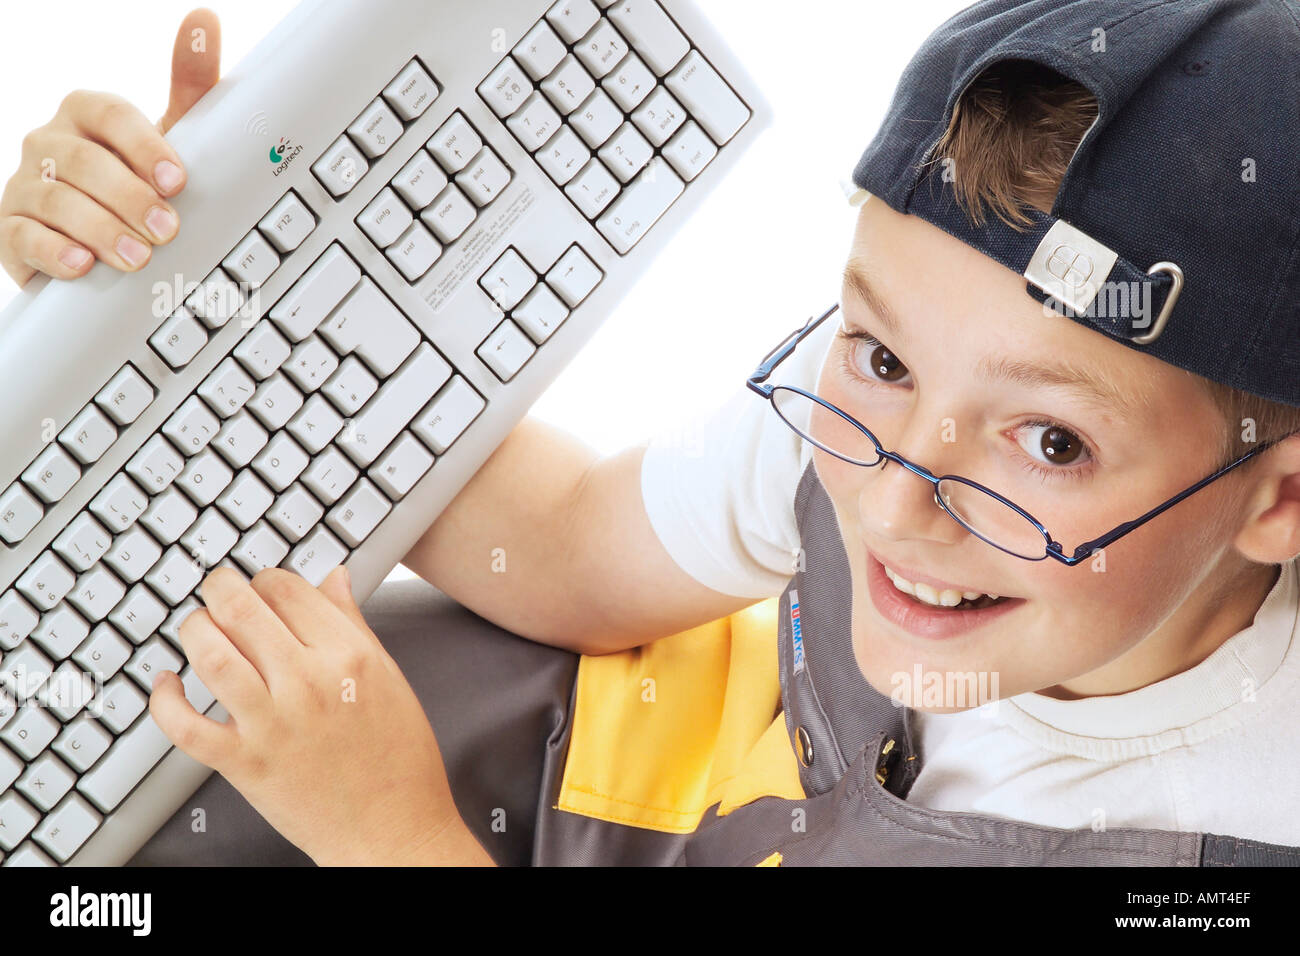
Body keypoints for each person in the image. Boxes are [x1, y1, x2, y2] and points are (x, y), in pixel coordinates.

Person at [5, 1, 1300, 866]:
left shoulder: (1216, 852)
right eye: (884, 353)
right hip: (579, 779)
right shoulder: (867, 415)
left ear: (1279, 500)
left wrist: (388, 832)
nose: (900, 504)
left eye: (1052, 446)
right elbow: (567, 553)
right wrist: (220, 286)